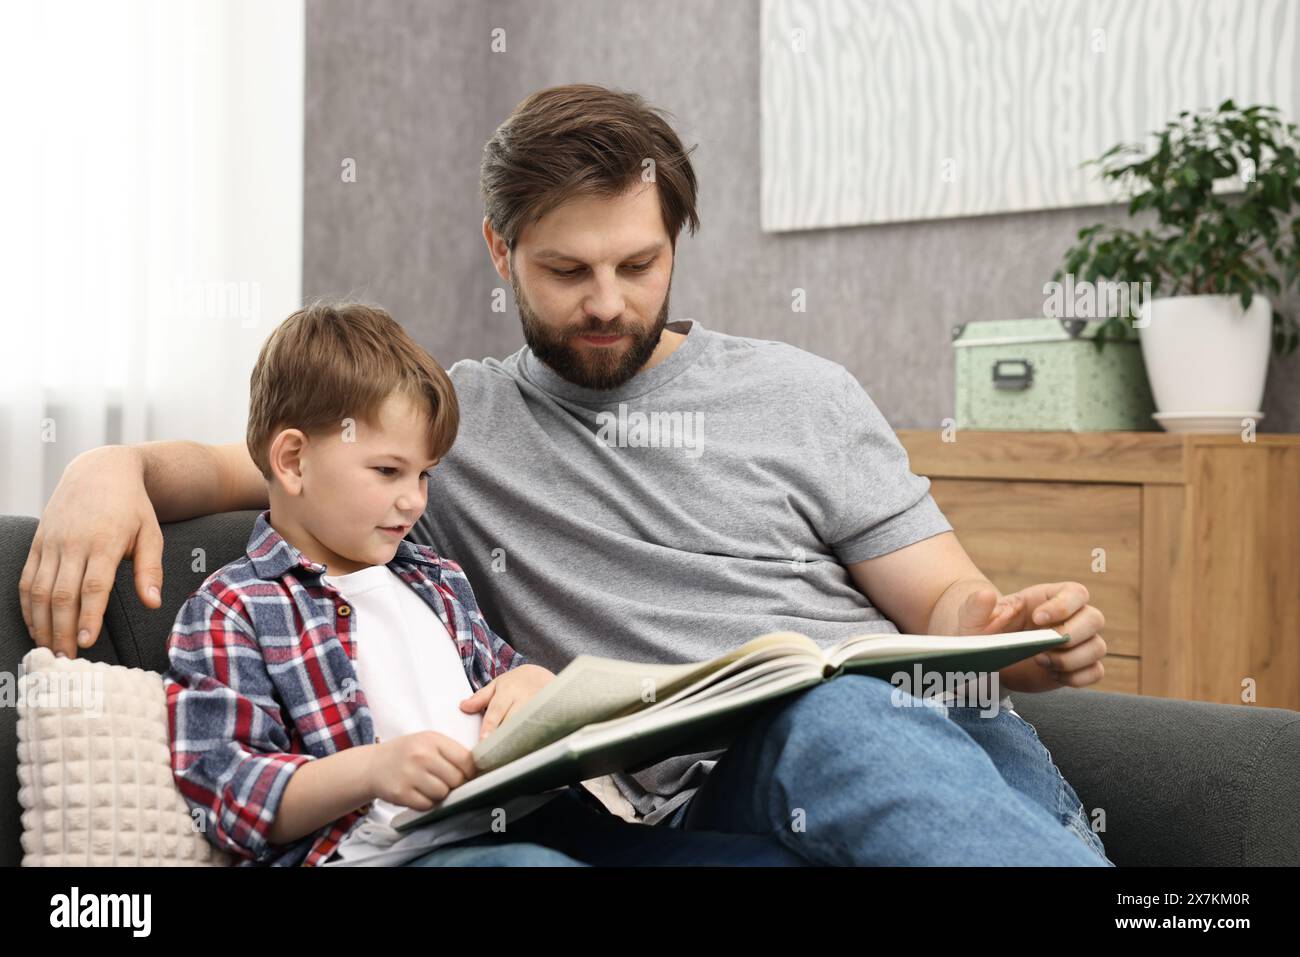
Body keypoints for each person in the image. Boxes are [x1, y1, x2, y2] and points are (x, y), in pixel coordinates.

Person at [22, 83, 1112, 865]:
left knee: (833, 719)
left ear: (675, 242)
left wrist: (1017, 623)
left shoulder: (803, 394)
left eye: (637, 265)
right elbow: (259, 462)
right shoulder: (454, 429)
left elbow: (947, 603)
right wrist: (108, 464)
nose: (606, 303)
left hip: (897, 759)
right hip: (686, 813)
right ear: (499, 254)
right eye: (566, 270)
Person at [164, 301, 806, 867]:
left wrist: (533, 684)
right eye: (388, 471)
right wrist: (370, 770)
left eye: (425, 477)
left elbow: (506, 682)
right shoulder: (234, 608)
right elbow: (226, 792)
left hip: (553, 823)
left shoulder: (435, 580)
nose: (413, 502)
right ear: (294, 460)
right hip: (396, 852)